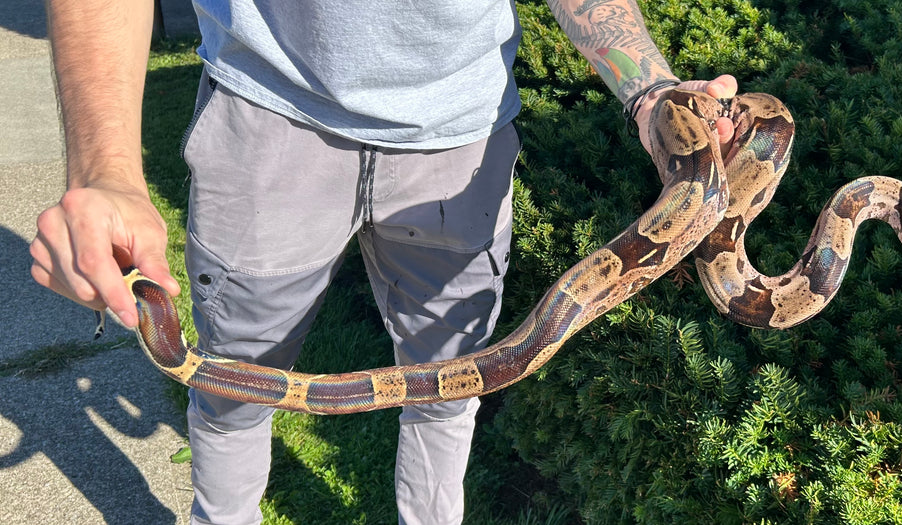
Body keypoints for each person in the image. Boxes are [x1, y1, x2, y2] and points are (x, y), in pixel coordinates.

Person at [32, 1, 740, 523]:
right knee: (232, 388)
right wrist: (105, 170)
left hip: (463, 139)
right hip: (267, 117)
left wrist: (654, 93)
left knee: (448, 388)